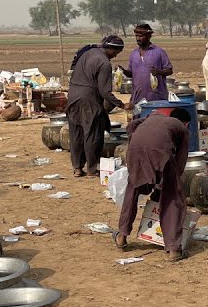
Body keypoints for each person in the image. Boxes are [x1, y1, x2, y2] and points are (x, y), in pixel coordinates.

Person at [113, 108, 192, 261]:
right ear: (187, 124)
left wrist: (133, 141)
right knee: (172, 197)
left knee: (133, 189)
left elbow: (131, 125)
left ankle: (121, 235)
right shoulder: (182, 129)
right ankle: (174, 249)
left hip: (135, 150)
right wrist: (170, 184)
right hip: (159, 152)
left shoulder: (153, 116)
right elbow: (180, 163)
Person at [66, 34, 125, 178]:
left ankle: (77, 168)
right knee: (92, 134)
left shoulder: (87, 52)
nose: (116, 56)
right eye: (116, 52)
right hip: (89, 100)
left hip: (73, 95)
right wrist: (122, 104)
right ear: (111, 49)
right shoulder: (104, 63)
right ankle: (92, 169)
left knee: (76, 133)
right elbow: (105, 91)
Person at [127, 23, 172, 106]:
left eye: (141, 36)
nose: (138, 38)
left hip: (157, 97)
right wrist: (123, 71)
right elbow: (131, 74)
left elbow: (169, 70)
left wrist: (158, 72)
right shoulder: (133, 54)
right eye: (136, 36)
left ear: (149, 36)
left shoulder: (159, 52)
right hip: (137, 98)